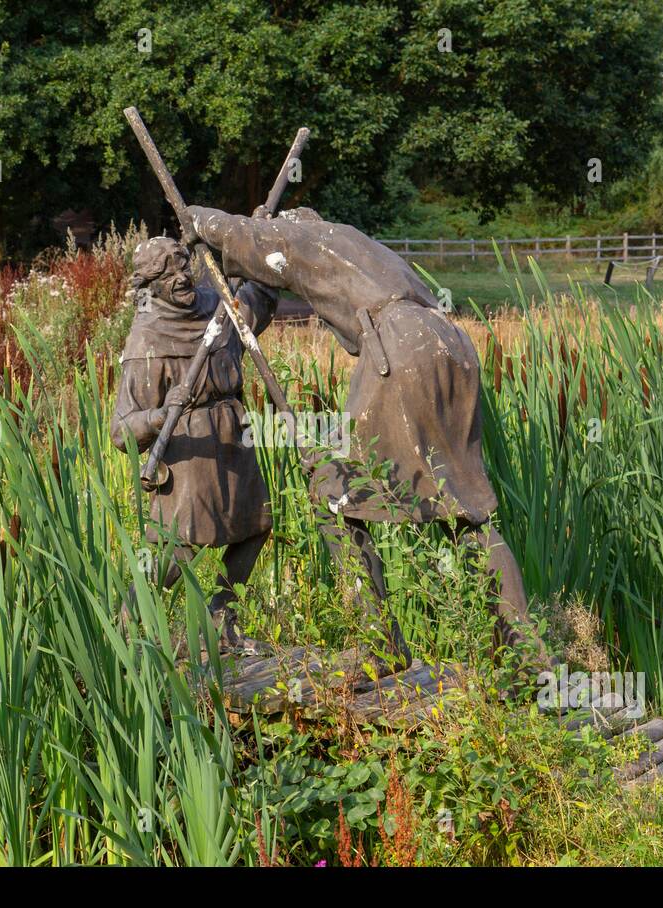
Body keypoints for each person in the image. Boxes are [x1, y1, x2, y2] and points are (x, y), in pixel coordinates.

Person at [182, 205, 549, 673]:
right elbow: (262, 261)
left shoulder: (315, 241)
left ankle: (381, 644)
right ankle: (528, 659)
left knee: (332, 488)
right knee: (465, 508)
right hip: (452, 348)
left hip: (398, 350)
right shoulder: (362, 245)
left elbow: (250, 239)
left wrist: (198, 219)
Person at [110, 236, 278, 652]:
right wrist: (159, 414)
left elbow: (255, 301)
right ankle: (125, 629)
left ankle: (224, 617)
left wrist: (257, 240)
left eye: (183, 265)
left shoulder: (215, 305)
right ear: (149, 285)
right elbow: (119, 431)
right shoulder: (146, 341)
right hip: (188, 449)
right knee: (174, 553)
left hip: (234, 436)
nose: (182, 276)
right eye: (168, 272)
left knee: (256, 526)